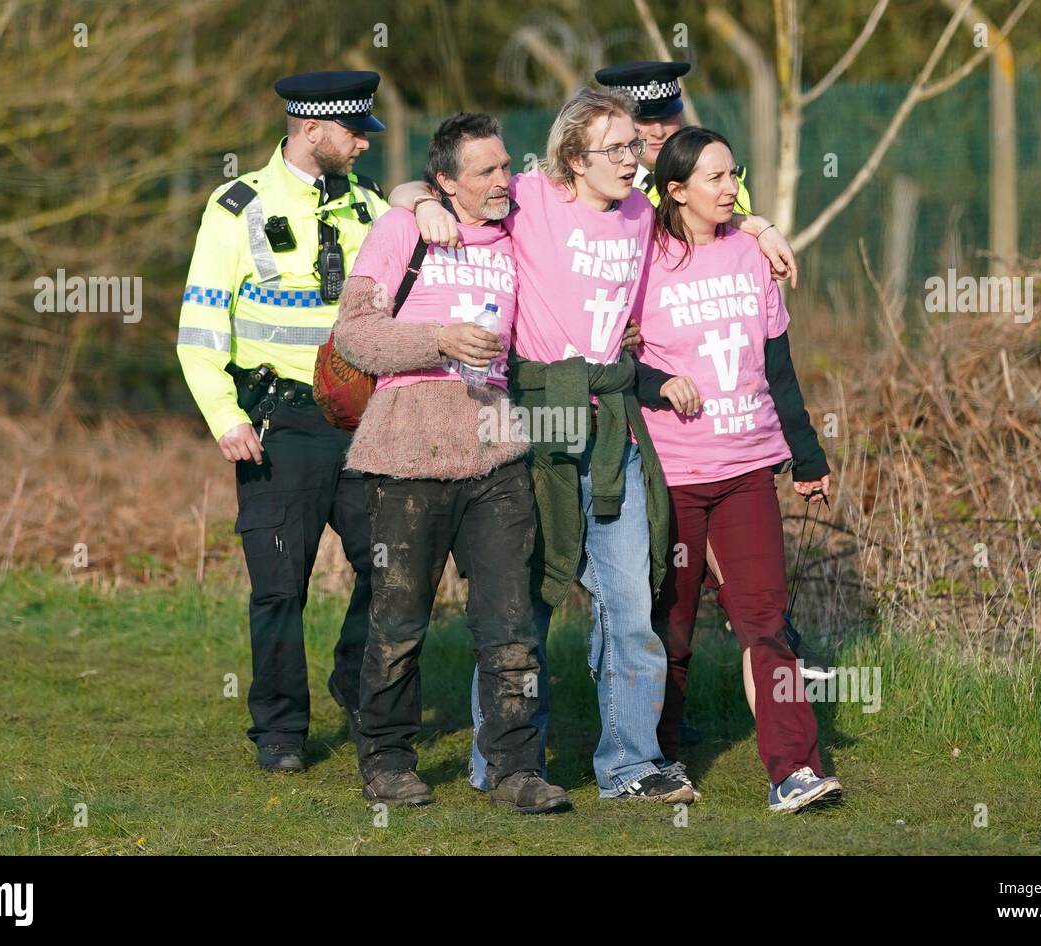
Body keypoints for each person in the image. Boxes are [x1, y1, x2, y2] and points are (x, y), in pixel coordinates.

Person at [391, 89, 697, 802]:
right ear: (571, 159)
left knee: (629, 605)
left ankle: (629, 765)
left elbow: (716, 215)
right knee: (520, 607)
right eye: (616, 149)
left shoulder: (641, 211)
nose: (633, 160)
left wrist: (764, 226)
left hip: (611, 426)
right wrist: (419, 205)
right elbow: (424, 183)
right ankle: (497, 762)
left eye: (635, 146)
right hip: (534, 423)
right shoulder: (529, 196)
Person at [333, 113, 570, 814]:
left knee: (510, 627)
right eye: (487, 172)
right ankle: (386, 760)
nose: (505, 181)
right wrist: (439, 338)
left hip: (497, 447)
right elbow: (354, 334)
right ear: (446, 181)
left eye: (505, 167)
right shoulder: (401, 229)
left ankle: (516, 770)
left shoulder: (516, 229)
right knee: (399, 621)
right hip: (408, 449)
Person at [176, 70, 388, 772]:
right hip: (276, 426)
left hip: (361, 427)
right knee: (278, 589)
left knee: (392, 570)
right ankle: (280, 731)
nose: (363, 142)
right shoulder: (236, 207)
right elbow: (200, 326)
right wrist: (224, 417)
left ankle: (358, 687)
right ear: (312, 131)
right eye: (353, 132)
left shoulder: (373, 209)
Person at [637, 126, 842, 812]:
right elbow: (615, 358)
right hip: (675, 476)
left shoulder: (752, 257)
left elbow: (778, 368)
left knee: (766, 622)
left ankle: (794, 769)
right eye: (716, 179)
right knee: (674, 624)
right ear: (675, 190)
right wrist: (655, 383)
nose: (731, 189)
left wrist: (806, 455)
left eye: (735, 175)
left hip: (749, 469)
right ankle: (657, 755)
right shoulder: (643, 258)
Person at [595, 60, 792, 284]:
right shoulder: (603, 187)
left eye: (667, 116)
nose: (659, 131)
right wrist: (755, 224)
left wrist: (757, 227)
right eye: (644, 119)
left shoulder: (724, 176)